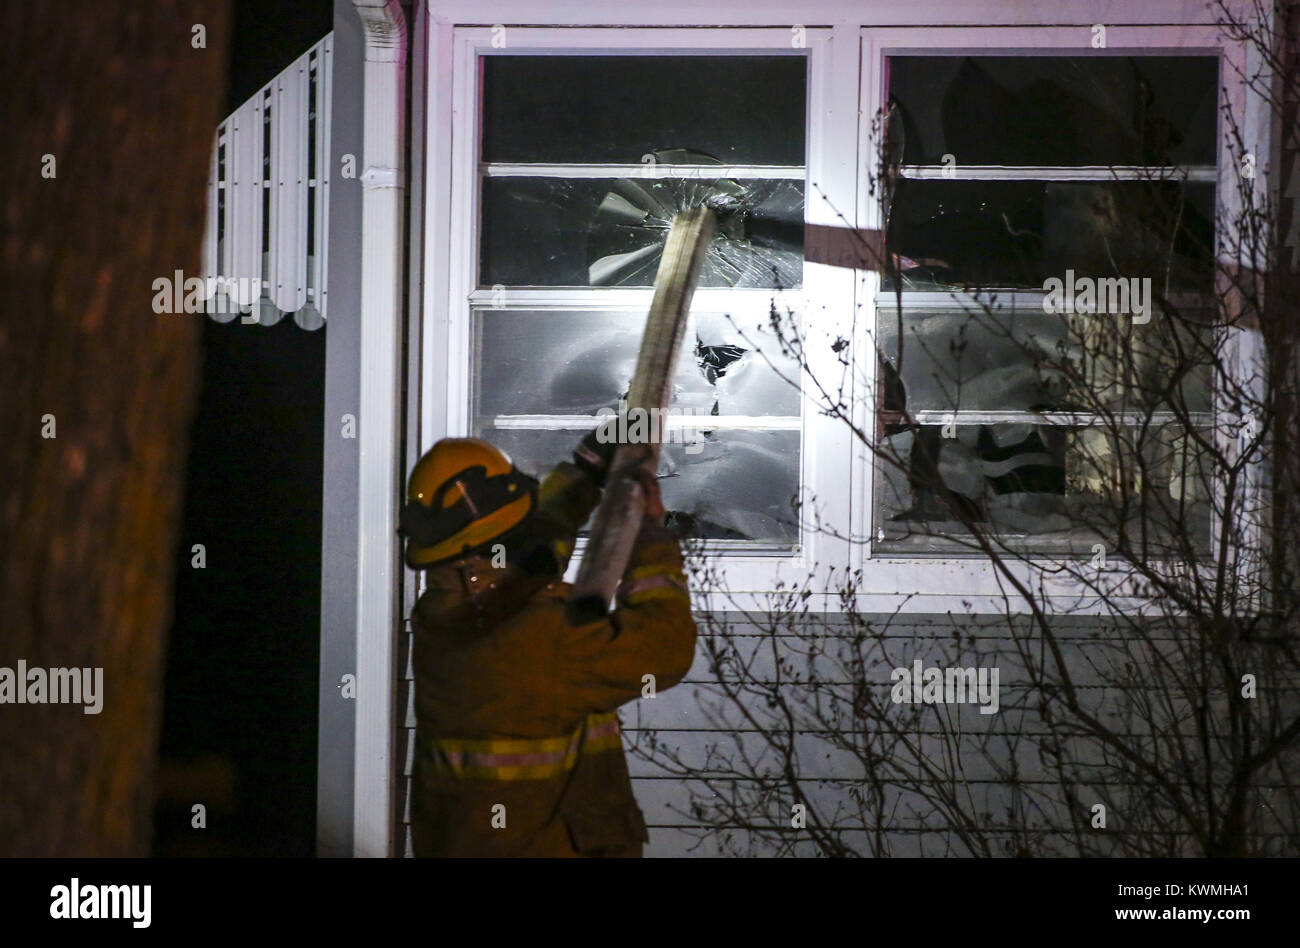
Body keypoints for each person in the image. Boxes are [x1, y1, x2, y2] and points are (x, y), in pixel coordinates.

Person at [397, 430, 697, 857]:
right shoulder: (539, 638)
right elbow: (665, 649)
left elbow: (528, 559)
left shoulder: (445, 614)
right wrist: (651, 543)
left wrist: (586, 471)